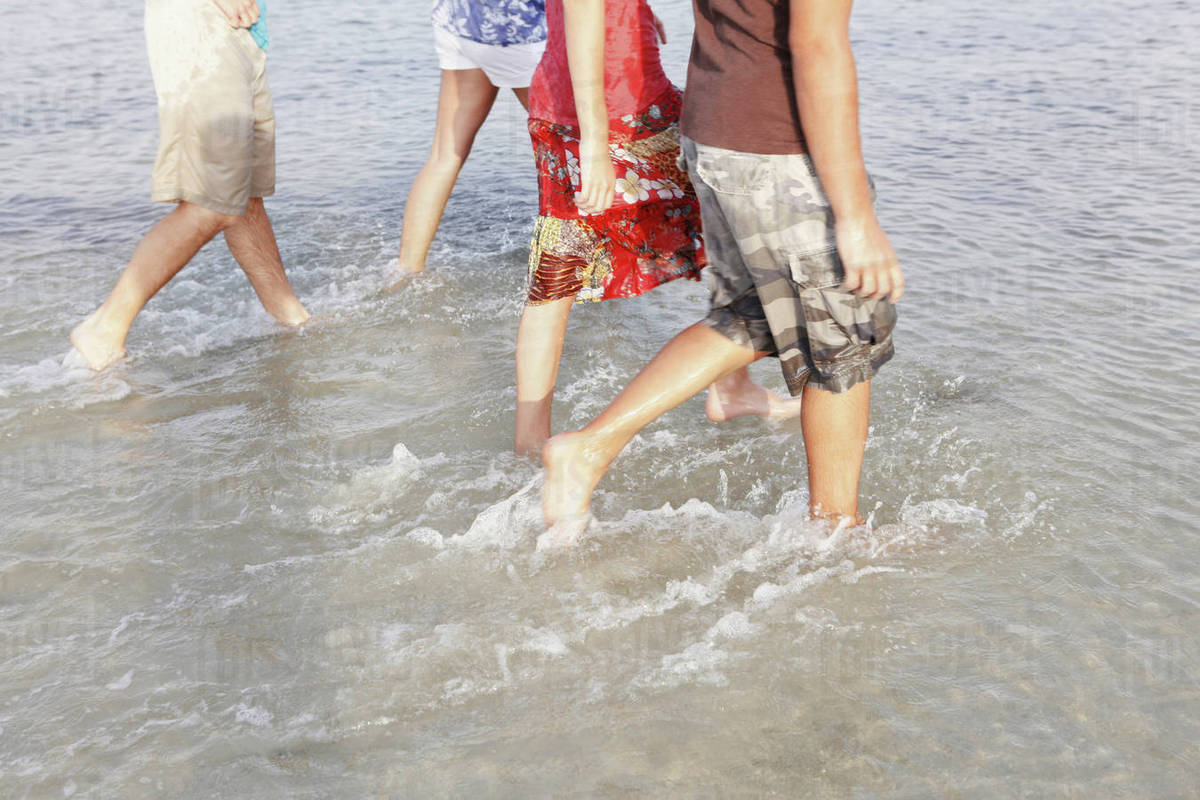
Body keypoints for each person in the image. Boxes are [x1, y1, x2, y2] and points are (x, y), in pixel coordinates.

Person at [542, 0, 905, 531]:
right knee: (841, 336)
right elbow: (818, 48)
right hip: (777, 148)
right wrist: (854, 215)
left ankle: (587, 448)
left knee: (754, 315)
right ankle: (836, 531)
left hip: (716, 131)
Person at [514, 0, 801, 456]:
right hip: (619, 111)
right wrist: (595, 143)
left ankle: (529, 442)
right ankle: (731, 385)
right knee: (738, 226)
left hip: (573, 103)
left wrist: (637, 13)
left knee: (558, 272)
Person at [69, 0, 309, 371]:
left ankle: (290, 316)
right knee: (211, 203)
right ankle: (104, 328)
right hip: (200, 23)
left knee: (243, 195)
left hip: (242, 29)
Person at [389, 0, 548, 285]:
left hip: (461, 21)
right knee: (573, 156)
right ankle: (583, 274)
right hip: (523, 30)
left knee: (444, 155)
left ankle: (405, 275)